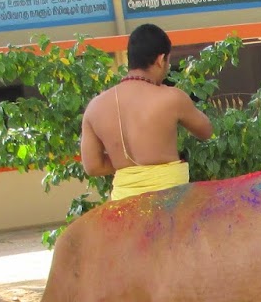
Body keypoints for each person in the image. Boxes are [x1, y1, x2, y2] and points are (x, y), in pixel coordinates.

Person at [81, 23, 212, 201]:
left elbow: (93, 167)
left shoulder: (95, 106)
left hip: (123, 206)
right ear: (161, 59)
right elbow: (206, 131)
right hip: (171, 203)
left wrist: (130, 165)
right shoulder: (171, 98)